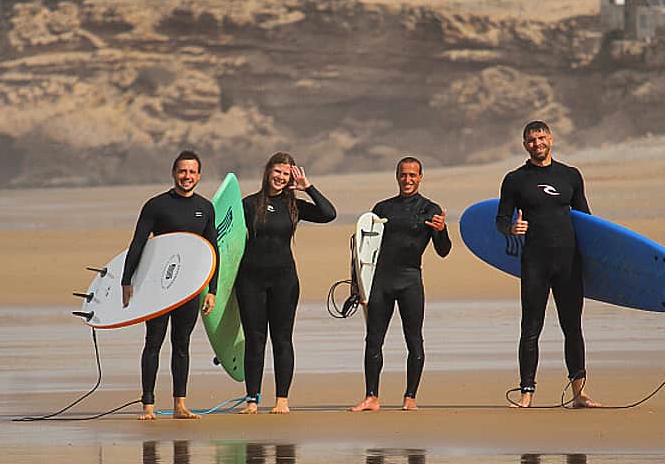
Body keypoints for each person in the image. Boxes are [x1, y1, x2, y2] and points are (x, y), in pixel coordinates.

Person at [495, 121, 601, 409]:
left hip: (569, 263)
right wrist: (511, 229)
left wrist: (598, 261)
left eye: (541, 137)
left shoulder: (570, 176)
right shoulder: (515, 179)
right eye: (531, 139)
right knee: (530, 327)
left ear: (551, 139)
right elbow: (501, 219)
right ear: (524, 144)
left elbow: (586, 220)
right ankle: (526, 393)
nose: (537, 143)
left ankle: (579, 393)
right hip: (535, 263)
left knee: (572, 327)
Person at [236, 152, 336, 414]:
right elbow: (226, 239)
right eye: (277, 171)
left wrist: (308, 187)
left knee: (282, 340)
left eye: (286, 173)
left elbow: (329, 214)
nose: (280, 177)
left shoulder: (295, 206)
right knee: (255, 340)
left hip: (284, 281)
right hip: (250, 280)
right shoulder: (248, 204)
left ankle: (282, 400)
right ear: (268, 171)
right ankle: (252, 400)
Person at [121, 150, 218, 420]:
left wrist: (212, 289)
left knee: (181, 344)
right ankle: (148, 406)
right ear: (174, 173)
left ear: (199, 175)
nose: (186, 176)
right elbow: (138, 243)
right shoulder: (156, 205)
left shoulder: (206, 208)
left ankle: (180, 405)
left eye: (192, 172)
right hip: (158, 289)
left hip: (189, 289)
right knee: (153, 342)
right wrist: (126, 281)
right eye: (182, 171)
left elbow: (213, 251)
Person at [349, 157, 450, 412]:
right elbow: (363, 249)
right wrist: (358, 284)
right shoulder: (382, 208)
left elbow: (444, 250)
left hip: (410, 280)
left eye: (413, 175)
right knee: (373, 339)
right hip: (381, 281)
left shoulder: (430, 209)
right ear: (397, 176)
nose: (408, 180)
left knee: (414, 340)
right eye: (403, 175)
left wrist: (442, 230)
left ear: (420, 177)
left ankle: (410, 398)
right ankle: (371, 397)